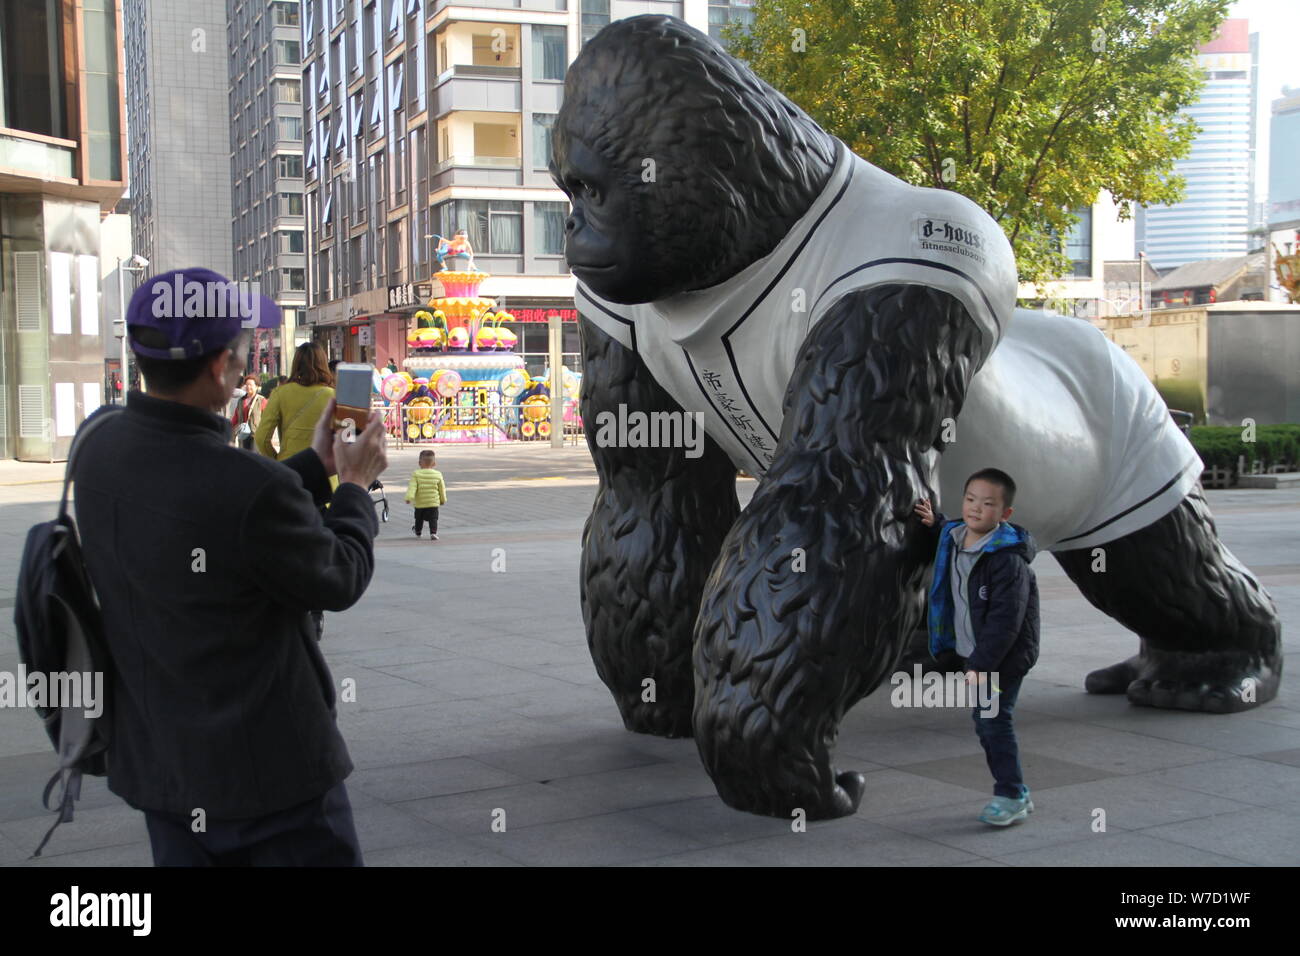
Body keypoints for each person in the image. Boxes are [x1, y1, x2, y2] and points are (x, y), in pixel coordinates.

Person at [72, 266, 389, 866]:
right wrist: (353, 485)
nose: (246, 365)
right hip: (270, 784)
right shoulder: (242, 488)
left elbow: (199, 508)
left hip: (163, 768)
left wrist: (312, 463)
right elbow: (338, 576)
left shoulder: (99, 449)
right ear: (221, 366)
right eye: (243, 350)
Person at [914, 468, 1039, 827]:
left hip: (1004, 658)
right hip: (978, 655)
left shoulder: (1007, 560)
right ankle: (1016, 792)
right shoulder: (955, 536)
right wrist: (933, 521)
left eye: (987, 504)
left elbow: (1007, 621)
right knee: (988, 722)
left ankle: (1011, 794)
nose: (975, 509)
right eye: (970, 500)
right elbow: (946, 533)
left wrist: (981, 664)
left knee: (993, 722)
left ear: (1005, 514)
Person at [257, 344, 335, 466]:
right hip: (325, 472)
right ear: (324, 364)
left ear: (296, 363)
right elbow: (347, 438)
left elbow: (261, 438)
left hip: (289, 468)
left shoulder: (280, 393)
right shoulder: (335, 396)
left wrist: (277, 460)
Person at [405, 449, 447, 540]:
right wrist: (442, 500)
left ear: (419, 463)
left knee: (419, 519)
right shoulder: (438, 474)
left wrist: (409, 498)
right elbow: (442, 489)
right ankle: (433, 533)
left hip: (420, 503)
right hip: (433, 502)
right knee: (433, 518)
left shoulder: (416, 474)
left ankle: (418, 532)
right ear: (434, 464)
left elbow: (412, 487)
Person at [230, 374, 266, 450]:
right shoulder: (241, 400)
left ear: (256, 386)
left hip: (256, 436)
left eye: (250, 385)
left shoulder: (262, 400)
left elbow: (267, 419)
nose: (248, 387)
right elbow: (236, 417)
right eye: (246, 385)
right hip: (243, 435)